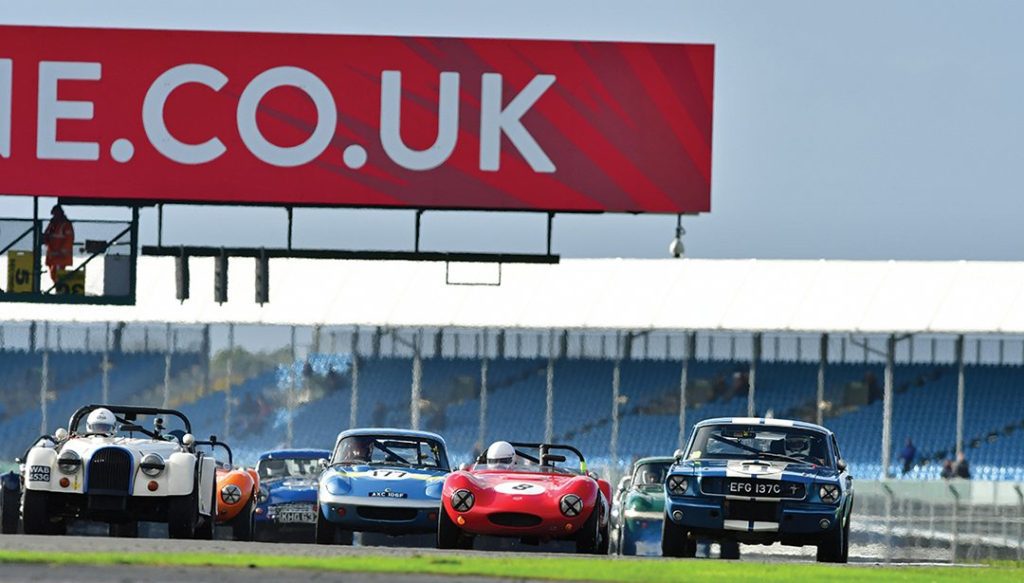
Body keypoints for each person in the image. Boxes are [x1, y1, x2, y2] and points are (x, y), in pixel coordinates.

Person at [43, 204, 75, 285]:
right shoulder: (52, 224)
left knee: (59, 274)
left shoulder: (66, 224)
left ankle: (60, 289)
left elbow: (69, 239)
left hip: (61, 256)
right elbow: (47, 235)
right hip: (53, 255)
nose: (54, 216)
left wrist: (62, 252)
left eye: (55, 214)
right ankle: (58, 288)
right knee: (53, 274)